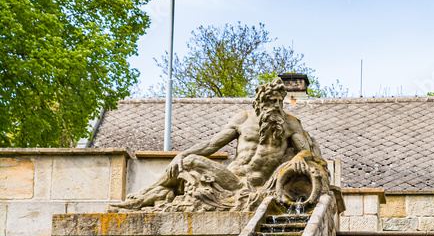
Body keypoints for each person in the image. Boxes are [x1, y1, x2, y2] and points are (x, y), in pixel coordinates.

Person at [115, 78, 321, 212]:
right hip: (233, 180)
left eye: (278, 102)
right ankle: (140, 199)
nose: (275, 106)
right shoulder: (243, 119)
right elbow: (211, 145)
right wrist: (181, 155)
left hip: (263, 185)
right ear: (260, 102)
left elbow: (307, 151)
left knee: (185, 165)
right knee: (187, 161)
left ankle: (148, 198)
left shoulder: (290, 123)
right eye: (270, 101)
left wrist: (299, 157)